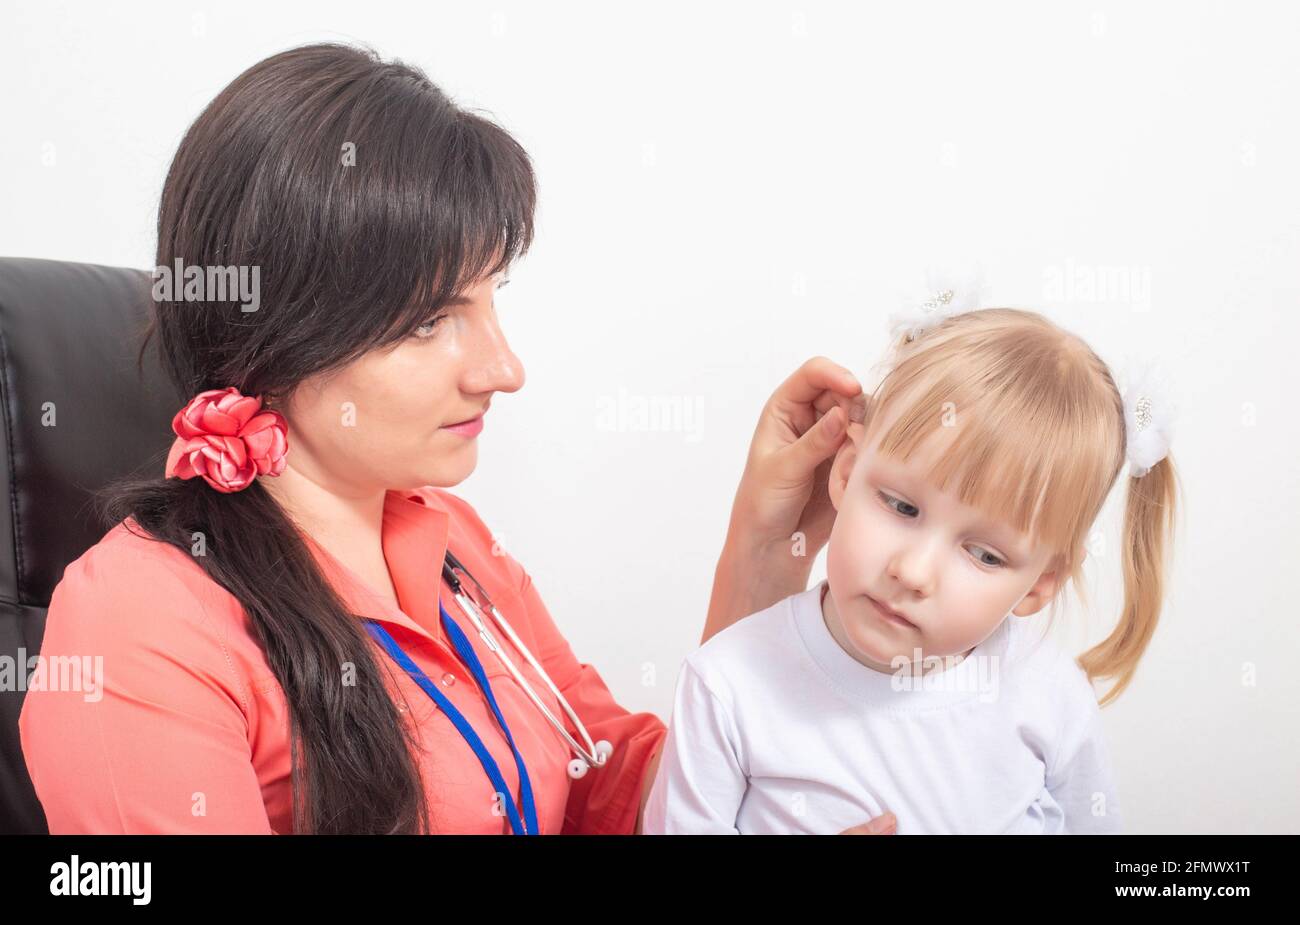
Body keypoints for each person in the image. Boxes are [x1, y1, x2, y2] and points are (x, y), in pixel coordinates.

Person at [16, 42, 891, 836]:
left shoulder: (456, 548)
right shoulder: (142, 620)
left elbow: (620, 796)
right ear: (281, 329)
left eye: (489, 298)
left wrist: (769, 544)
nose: (502, 368)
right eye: (431, 320)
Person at [644, 298, 1183, 834]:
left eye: (984, 554)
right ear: (846, 472)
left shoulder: (1049, 696)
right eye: (901, 507)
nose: (914, 572)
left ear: (1041, 582)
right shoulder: (727, 685)